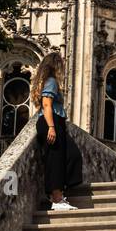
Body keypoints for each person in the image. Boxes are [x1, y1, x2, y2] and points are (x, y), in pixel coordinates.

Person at [32, 51, 83, 211]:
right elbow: (47, 104)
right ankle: (56, 198)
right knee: (55, 160)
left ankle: (58, 193)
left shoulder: (47, 81)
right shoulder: (52, 81)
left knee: (72, 155)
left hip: (54, 122)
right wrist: (52, 127)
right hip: (51, 121)